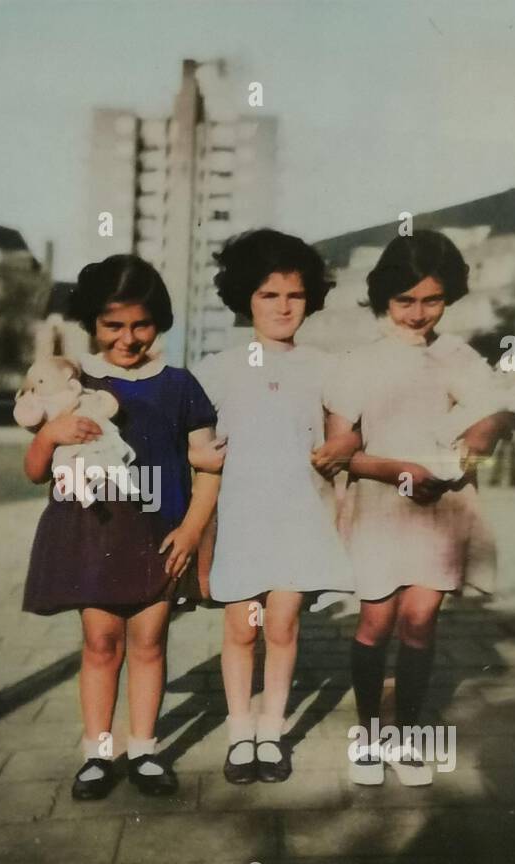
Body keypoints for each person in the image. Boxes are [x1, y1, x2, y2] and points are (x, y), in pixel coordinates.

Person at [331, 230, 515, 786]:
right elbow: (337, 455)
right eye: (405, 301)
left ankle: (408, 734)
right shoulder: (358, 362)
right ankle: (370, 734)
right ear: (383, 298)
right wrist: (399, 470)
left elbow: (498, 419)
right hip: (381, 506)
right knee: (376, 621)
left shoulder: (459, 356)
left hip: (440, 510)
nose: (418, 313)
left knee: (421, 622)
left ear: (449, 297)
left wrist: (481, 441)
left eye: (432, 300)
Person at [21, 255, 225, 800]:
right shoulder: (73, 383)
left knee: (151, 641)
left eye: (141, 324)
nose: (128, 337)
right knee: (100, 641)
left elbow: (208, 465)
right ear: (93, 325)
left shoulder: (180, 385)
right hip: (94, 533)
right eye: (114, 325)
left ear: (159, 322)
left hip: (161, 532)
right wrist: (50, 434)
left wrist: (191, 531)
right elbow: (36, 470)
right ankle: (97, 750)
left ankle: (144, 747)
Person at [194, 229, 358, 785]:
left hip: (299, 517)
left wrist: (343, 447)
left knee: (282, 622)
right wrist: (199, 453)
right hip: (242, 518)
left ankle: (272, 730)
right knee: (243, 626)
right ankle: (240, 732)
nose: (283, 306)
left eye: (294, 294)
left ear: (310, 297)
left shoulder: (324, 366)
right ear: (245, 298)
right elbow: (190, 437)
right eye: (268, 295)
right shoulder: (219, 367)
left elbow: (347, 434)